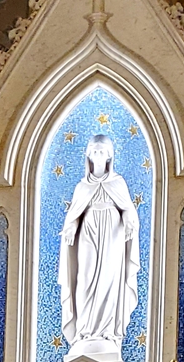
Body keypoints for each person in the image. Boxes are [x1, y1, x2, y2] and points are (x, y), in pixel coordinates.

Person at [58, 134, 140, 349]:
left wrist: (130, 219)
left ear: (110, 156)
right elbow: (74, 214)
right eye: (94, 151)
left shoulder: (117, 182)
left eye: (102, 151)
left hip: (113, 233)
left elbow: (128, 208)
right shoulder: (82, 186)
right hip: (88, 233)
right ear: (88, 156)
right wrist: (70, 229)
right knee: (85, 278)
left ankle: (106, 332)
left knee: (109, 280)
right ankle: (84, 331)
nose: (98, 155)